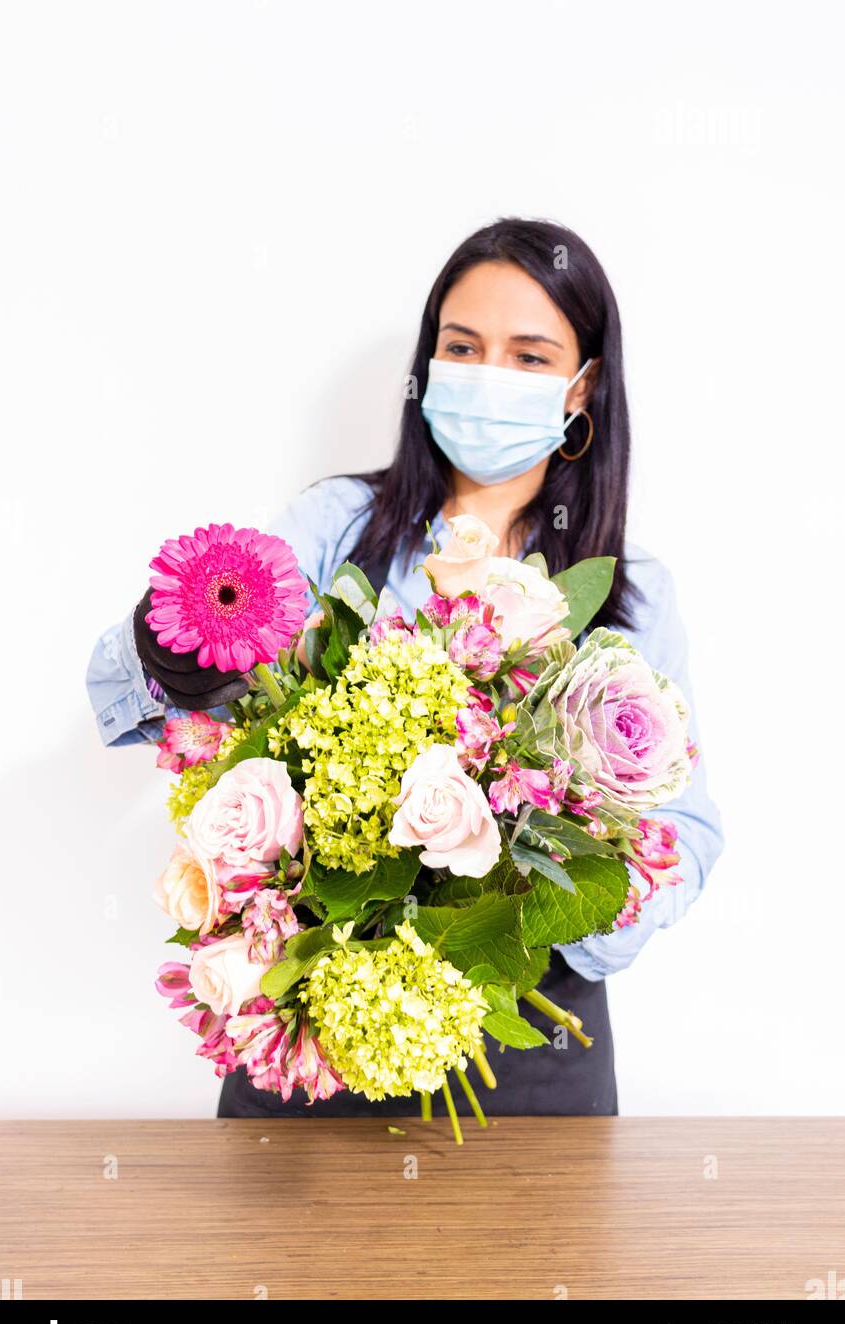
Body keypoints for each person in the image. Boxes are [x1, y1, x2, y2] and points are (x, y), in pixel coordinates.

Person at [86, 217, 723, 1120]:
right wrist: (180, 645)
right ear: (428, 366)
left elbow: (688, 831)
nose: (488, 374)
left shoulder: (631, 592)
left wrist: (563, 898)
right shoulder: (336, 528)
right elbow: (140, 697)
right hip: (315, 1023)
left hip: (531, 1047)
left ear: (582, 388)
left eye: (529, 356)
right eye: (463, 347)